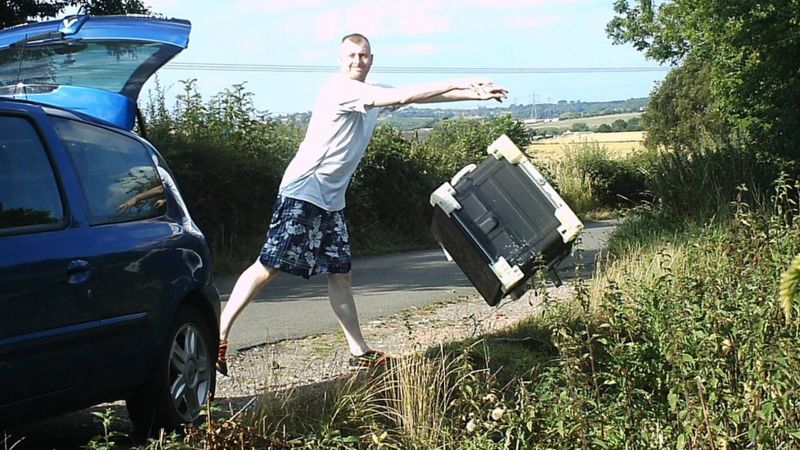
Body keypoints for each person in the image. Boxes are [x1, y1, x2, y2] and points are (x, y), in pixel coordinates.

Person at [216, 33, 508, 375]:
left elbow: (420, 99)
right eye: (352, 55)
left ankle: (359, 351)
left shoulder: (371, 93)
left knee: (341, 274)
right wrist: (462, 79)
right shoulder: (340, 90)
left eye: (364, 55)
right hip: (304, 191)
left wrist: (474, 93)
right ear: (341, 59)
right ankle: (218, 334)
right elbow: (406, 94)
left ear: (372, 58)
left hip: (331, 200)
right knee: (269, 266)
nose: (358, 61)